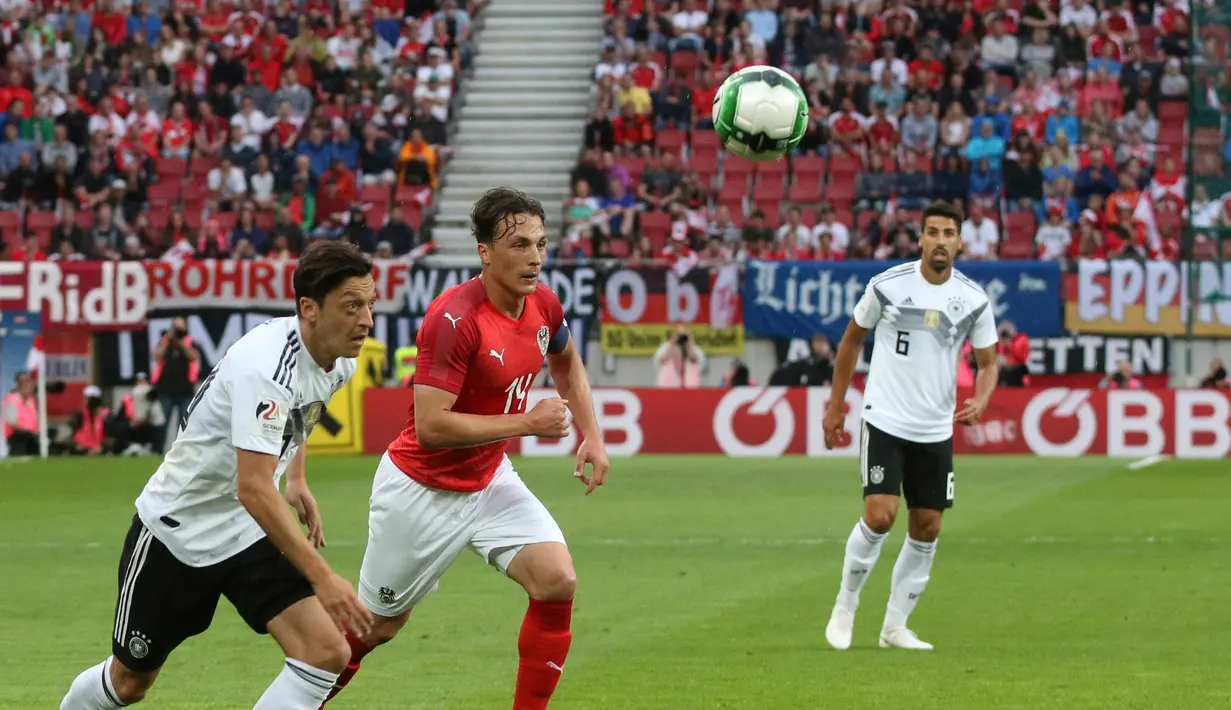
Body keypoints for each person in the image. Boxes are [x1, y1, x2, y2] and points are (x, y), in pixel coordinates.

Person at [321, 188, 609, 709]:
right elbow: (431, 426)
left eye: (541, 244)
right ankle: (299, 699)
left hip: (488, 478)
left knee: (557, 581)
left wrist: (592, 433)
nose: (535, 257)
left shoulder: (543, 303)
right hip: (422, 489)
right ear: (484, 252)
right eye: (520, 244)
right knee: (375, 628)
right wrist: (527, 422)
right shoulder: (453, 319)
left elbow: (565, 361)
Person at [59, 241, 377, 710]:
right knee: (130, 683)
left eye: (370, 304)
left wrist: (296, 479)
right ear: (308, 308)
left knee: (326, 652)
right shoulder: (265, 366)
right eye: (352, 306)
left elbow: (299, 412)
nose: (366, 320)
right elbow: (252, 486)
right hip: (179, 529)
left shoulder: (339, 357)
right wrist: (325, 578)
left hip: (246, 528)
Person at [821, 201, 1001, 651]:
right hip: (885, 418)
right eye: (932, 232)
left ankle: (894, 627)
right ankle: (845, 606)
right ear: (919, 238)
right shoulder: (887, 286)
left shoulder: (973, 299)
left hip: (935, 428)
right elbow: (850, 343)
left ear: (960, 242)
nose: (940, 241)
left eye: (948, 234)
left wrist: (982, 396)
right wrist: (836, 406)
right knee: (880, 516)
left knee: (927, 527)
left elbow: (989, 362)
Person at [2, 372, 39, 456]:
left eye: (30, 383)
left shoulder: (32, 400)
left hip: (32, 439)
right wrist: (29, 432)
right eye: (25, 383)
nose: (29, 386)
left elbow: (35, 419)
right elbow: (11, 422)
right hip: (17, 438)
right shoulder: (10, 400)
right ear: (18, 385)